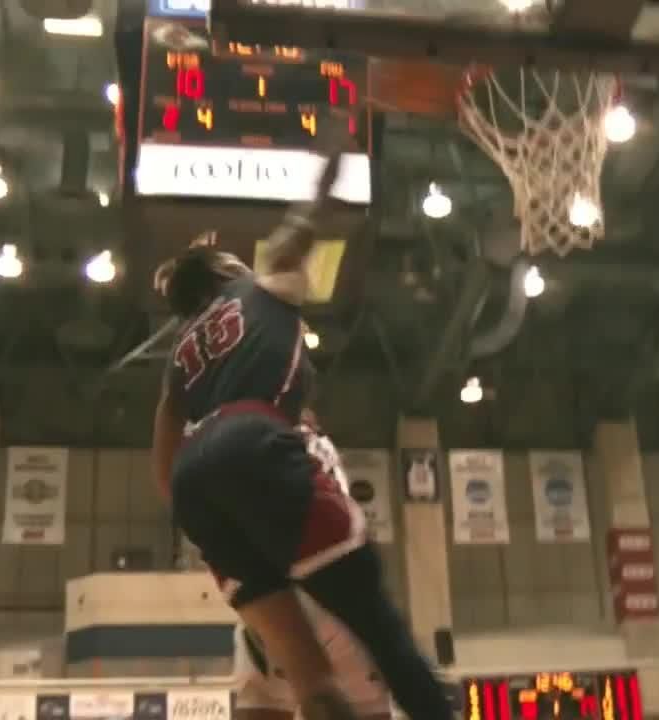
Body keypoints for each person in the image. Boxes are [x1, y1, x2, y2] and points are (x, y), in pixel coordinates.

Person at [150, 129, 453, 720]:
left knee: (310, 682)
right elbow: (301, 224)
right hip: (253, 441)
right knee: (381, 630)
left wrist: (216, 519)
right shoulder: (256, 288)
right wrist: (331, 165)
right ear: (223, 272)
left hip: (195, 489)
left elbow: (165, 470)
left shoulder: (178, 356)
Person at [233, 411, 391, 720]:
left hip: (276, 604)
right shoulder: (318, 447)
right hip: (339, 600)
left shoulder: (247, 442)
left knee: (264, 699)